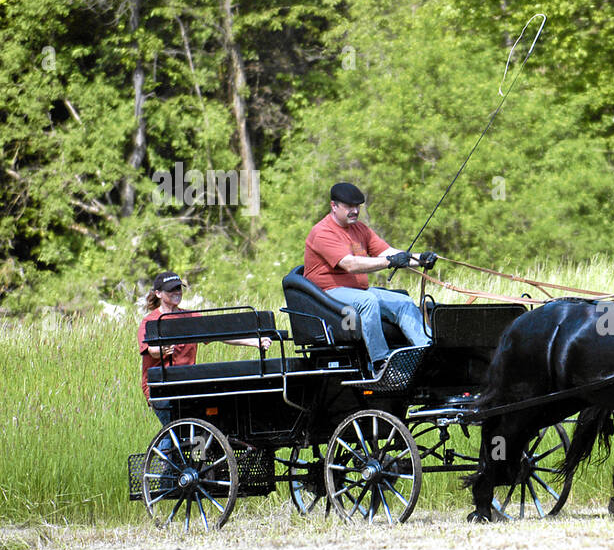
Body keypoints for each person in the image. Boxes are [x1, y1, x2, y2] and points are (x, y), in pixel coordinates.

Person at [303, 181, 437, 374]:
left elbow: (387, 252)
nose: (355, 211)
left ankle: (428, 353)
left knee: (403, 302)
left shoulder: (360, 229)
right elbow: (351, 264)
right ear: (334, 206)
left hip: (358, 291)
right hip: (326, 295)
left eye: (357, 207)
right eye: (349, 206)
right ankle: (380, 363)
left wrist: (420, 259)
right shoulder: (322, 232)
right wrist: (390, 261)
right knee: (368, 301)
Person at [138, 271, 272, 425]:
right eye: (171, 289)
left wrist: (254, 342)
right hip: (160, 387)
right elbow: (152, 351)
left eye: (178, 288)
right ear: (158, 293)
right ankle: (165, 448)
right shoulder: (150, 322)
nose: (177, 292)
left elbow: (220, 334)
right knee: (175, 431)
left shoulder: (190, 317)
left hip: (187, 384)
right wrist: (162, 350)